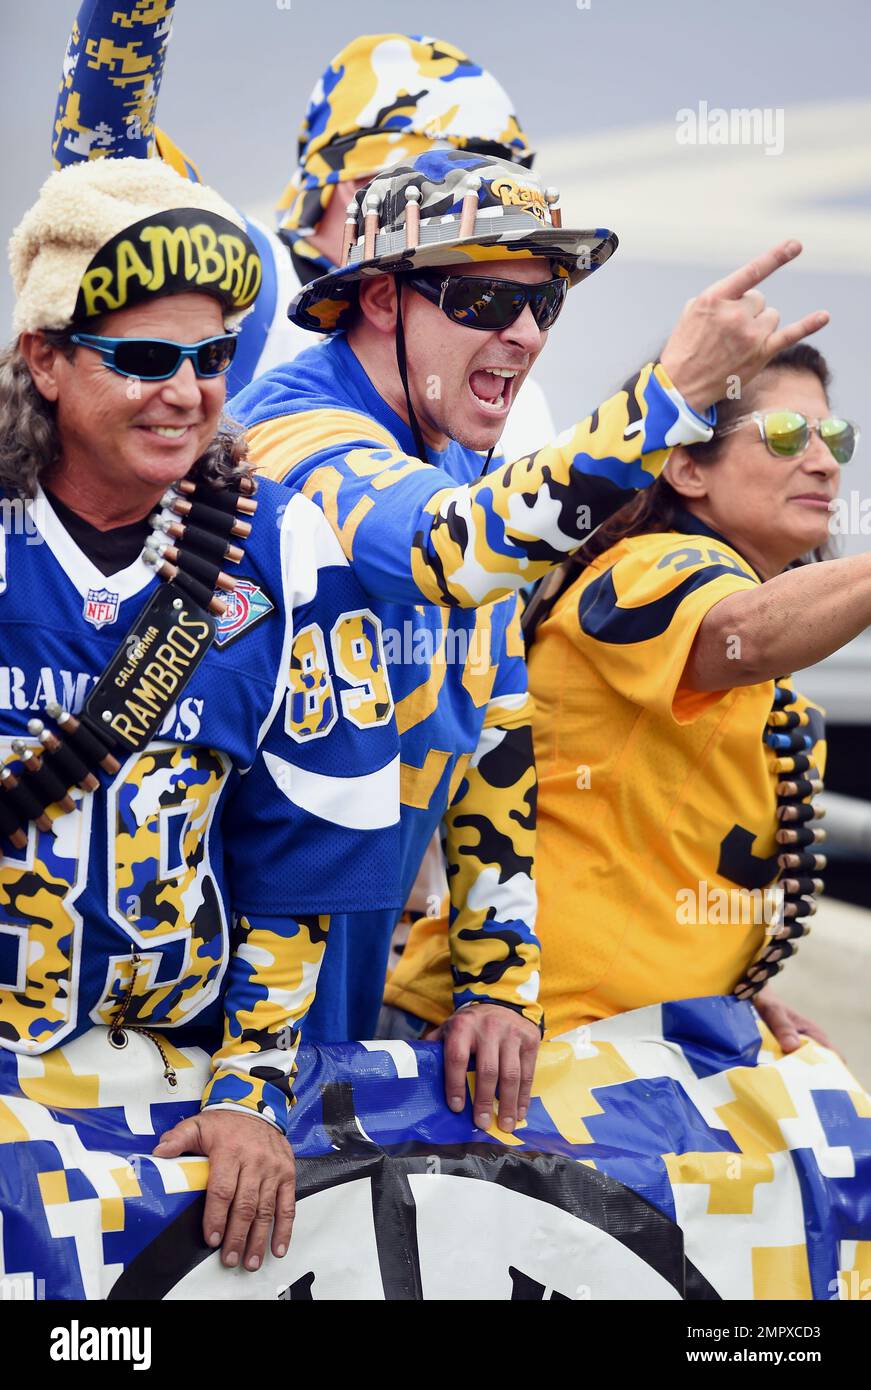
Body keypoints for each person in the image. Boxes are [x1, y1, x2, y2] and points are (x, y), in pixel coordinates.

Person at [229, 144, 828, 1129]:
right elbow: (446, 553)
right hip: (210, 989)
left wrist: (500, 983)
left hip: (345, 977)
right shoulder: (295, 429)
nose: (518, 335)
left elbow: (496, 730)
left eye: (540, 306)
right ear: (381, 299)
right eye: (479, 303)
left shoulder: (457, 460)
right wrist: (665, 399)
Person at [0, 156, 400, 1276]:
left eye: (210, 356)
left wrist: (251, 1095)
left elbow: (297, 870)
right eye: (140, 358)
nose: (183, 391)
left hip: (163, 1096)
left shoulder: (287, 551)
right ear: (45, 357)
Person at [383, 342, 862, 1062]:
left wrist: (725, 982)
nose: (825, 462)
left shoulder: (724, 589)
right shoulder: (649, 568)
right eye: (787, 435)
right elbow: (743, 634)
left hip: (622, 1049)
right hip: (503, 1049)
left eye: (834, 438)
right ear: (685, 465)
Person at [51, 5, 553, 455]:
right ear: (362, 183)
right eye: (464, 186)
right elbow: (104, 161)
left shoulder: (512, 389)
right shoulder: (259, 275)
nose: (496, 213)